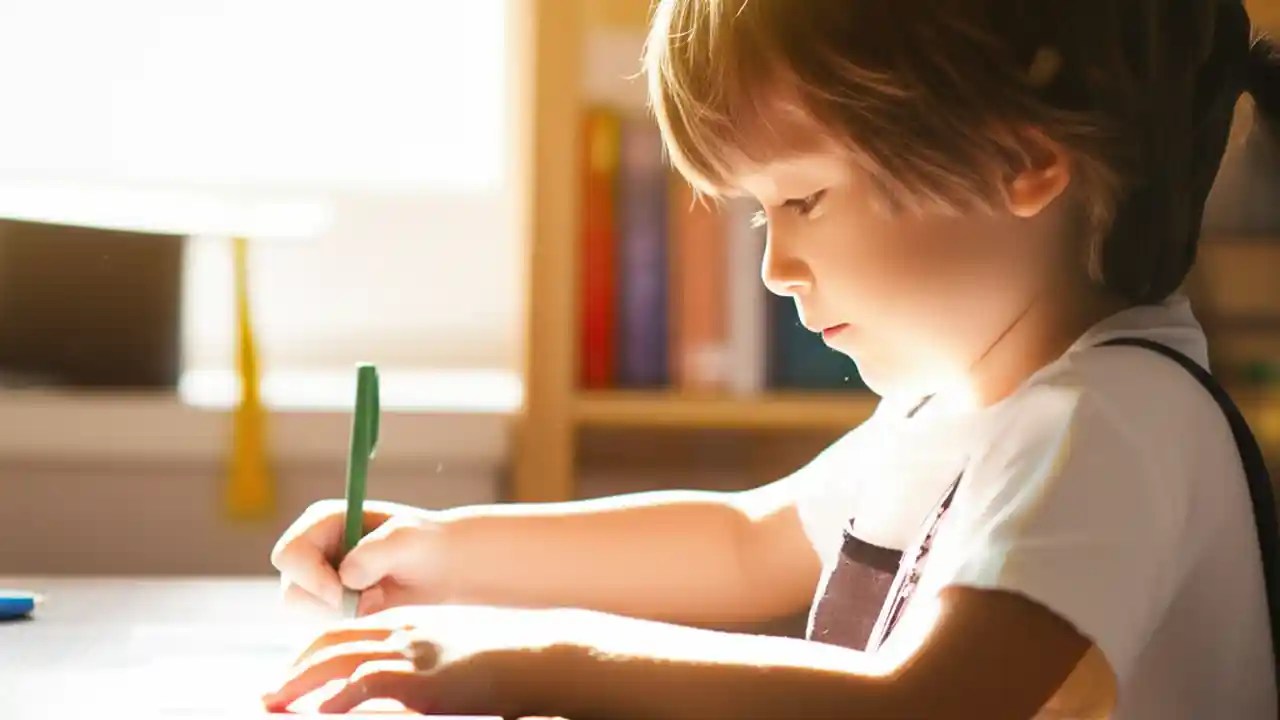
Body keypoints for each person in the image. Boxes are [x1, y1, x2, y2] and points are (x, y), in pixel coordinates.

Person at [261, 1, 1280, 717]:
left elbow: (924, 704)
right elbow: (741, 543)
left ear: (1018, 164)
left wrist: (540, 663)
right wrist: (441, 552)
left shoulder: (1112, 422)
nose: (776, 267)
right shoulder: (960, 410)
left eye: (801, 199)